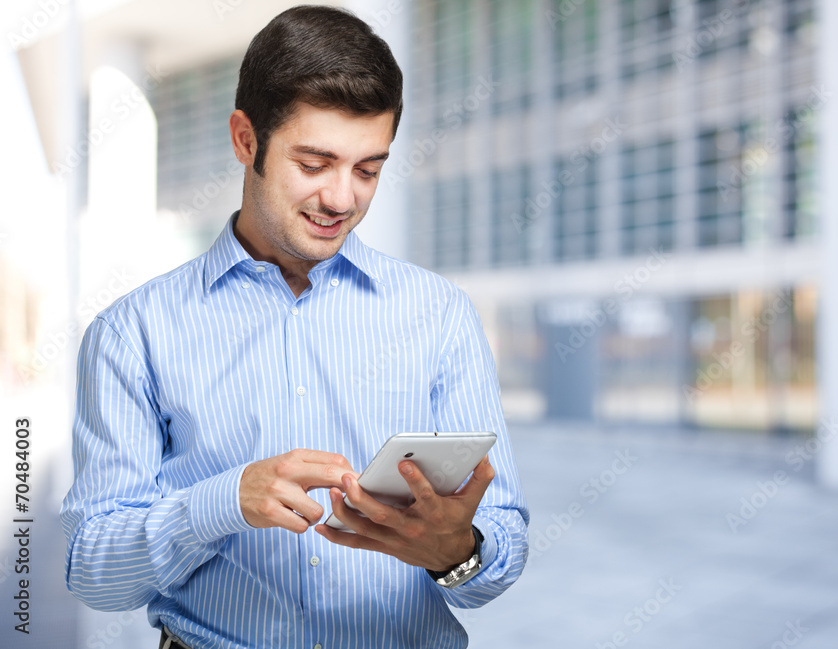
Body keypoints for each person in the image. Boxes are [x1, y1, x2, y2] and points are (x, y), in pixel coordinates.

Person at [59, 6, 529, 648]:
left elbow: (501, 548)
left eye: (368, 169)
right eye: (314, 164)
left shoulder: (439, 314)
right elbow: (95, 575)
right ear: (246, 139)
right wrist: (221, 503)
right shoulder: (132, 332)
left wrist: (456, 550)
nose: (342, 199)